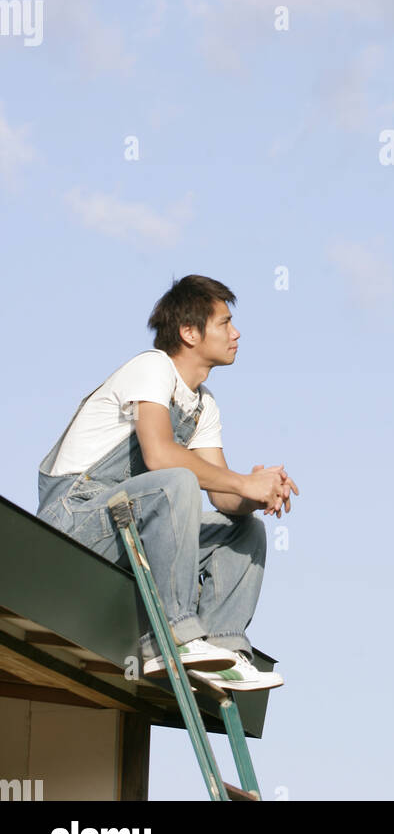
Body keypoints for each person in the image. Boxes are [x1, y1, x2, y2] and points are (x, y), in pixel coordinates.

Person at [35, 274, 298, 692]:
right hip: (73, 518)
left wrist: (256, 490)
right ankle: (170, 635)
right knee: (174, 480)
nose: (237, 333)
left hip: (132, 523)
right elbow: (158, 453)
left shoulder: (203, 404)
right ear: (189, 332)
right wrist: (242, 484)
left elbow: (225, 500)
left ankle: (223, 645)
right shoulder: (152, 368)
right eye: (225, 323)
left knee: (245, 530)